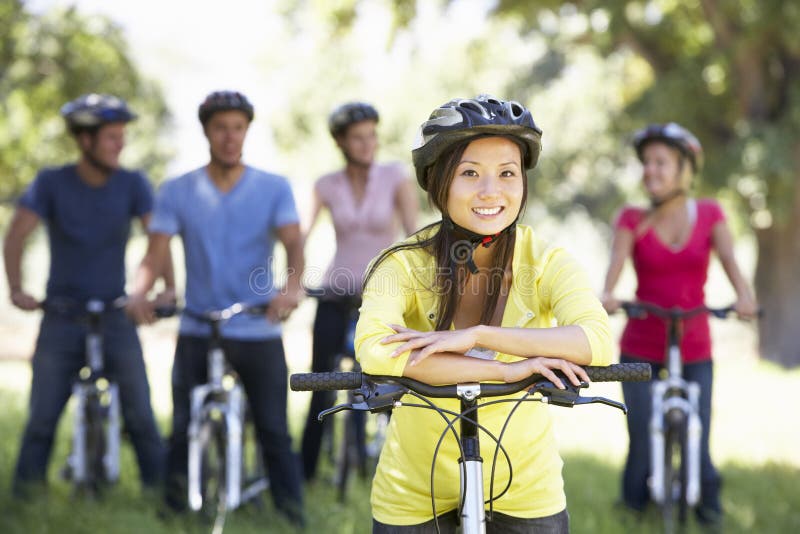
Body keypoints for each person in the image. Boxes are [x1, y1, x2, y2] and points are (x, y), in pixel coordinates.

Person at [354, 95, 613, 533]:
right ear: (438, 182)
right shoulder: (400, 262)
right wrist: (512, 372)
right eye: (469, 173)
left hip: (525, 481)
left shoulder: (546, 259)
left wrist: (479, 336)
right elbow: (376, 351)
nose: (491, 191)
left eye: (507, 173)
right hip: (415, 480)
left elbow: (597, 342)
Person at [126, 90, 305, 525]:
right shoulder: (178, 190)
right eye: (221, 128)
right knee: (184, 424)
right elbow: (155, 253)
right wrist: (140, 292)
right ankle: (171, 511)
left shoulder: (272, 187)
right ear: (206, 131)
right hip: (198, 325)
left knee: (273, 430)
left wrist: (291, 288)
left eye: (238, 128)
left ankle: (292, 515)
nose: (230, 137)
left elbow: (295, 247)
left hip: (256, 324)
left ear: (247, 131)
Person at [4, 94, 169, 496]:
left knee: (142, 416)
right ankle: (25, 499)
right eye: (112, 137)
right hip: (61, 316)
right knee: (42, 418)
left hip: (116, 316)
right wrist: (17, 289)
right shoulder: (51, 182)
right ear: (84, 140)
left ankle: (165, 499)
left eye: (121, 137)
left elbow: (157, 238)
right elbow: (17, 235)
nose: (120, 144)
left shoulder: (133, 184)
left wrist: (167, 287)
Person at [600, 122, 758, 524]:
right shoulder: (632, 218)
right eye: (646, 163)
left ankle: (708, 507)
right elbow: (614, 270)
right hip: (640, 340)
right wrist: (609, 295)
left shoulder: (710, 213)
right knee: (640, 433)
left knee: (698, 433)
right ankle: (634, 504)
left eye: (660, 162)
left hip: (694, 342)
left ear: (684, 169)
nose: (650, 170)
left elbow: (730, 262)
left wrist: (745, 298)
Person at [300, 101, 418, 481]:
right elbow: (300, 236)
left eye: (372, 136)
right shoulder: (326, 185)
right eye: (357, 138)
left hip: (382, 297)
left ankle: (400, 468)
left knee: (392, 382)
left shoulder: (396, 178)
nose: (367, 144)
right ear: (341, 142)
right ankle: (305, 474)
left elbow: (414, 237)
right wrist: (293, 281)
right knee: (321, 384)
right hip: (335, 294)